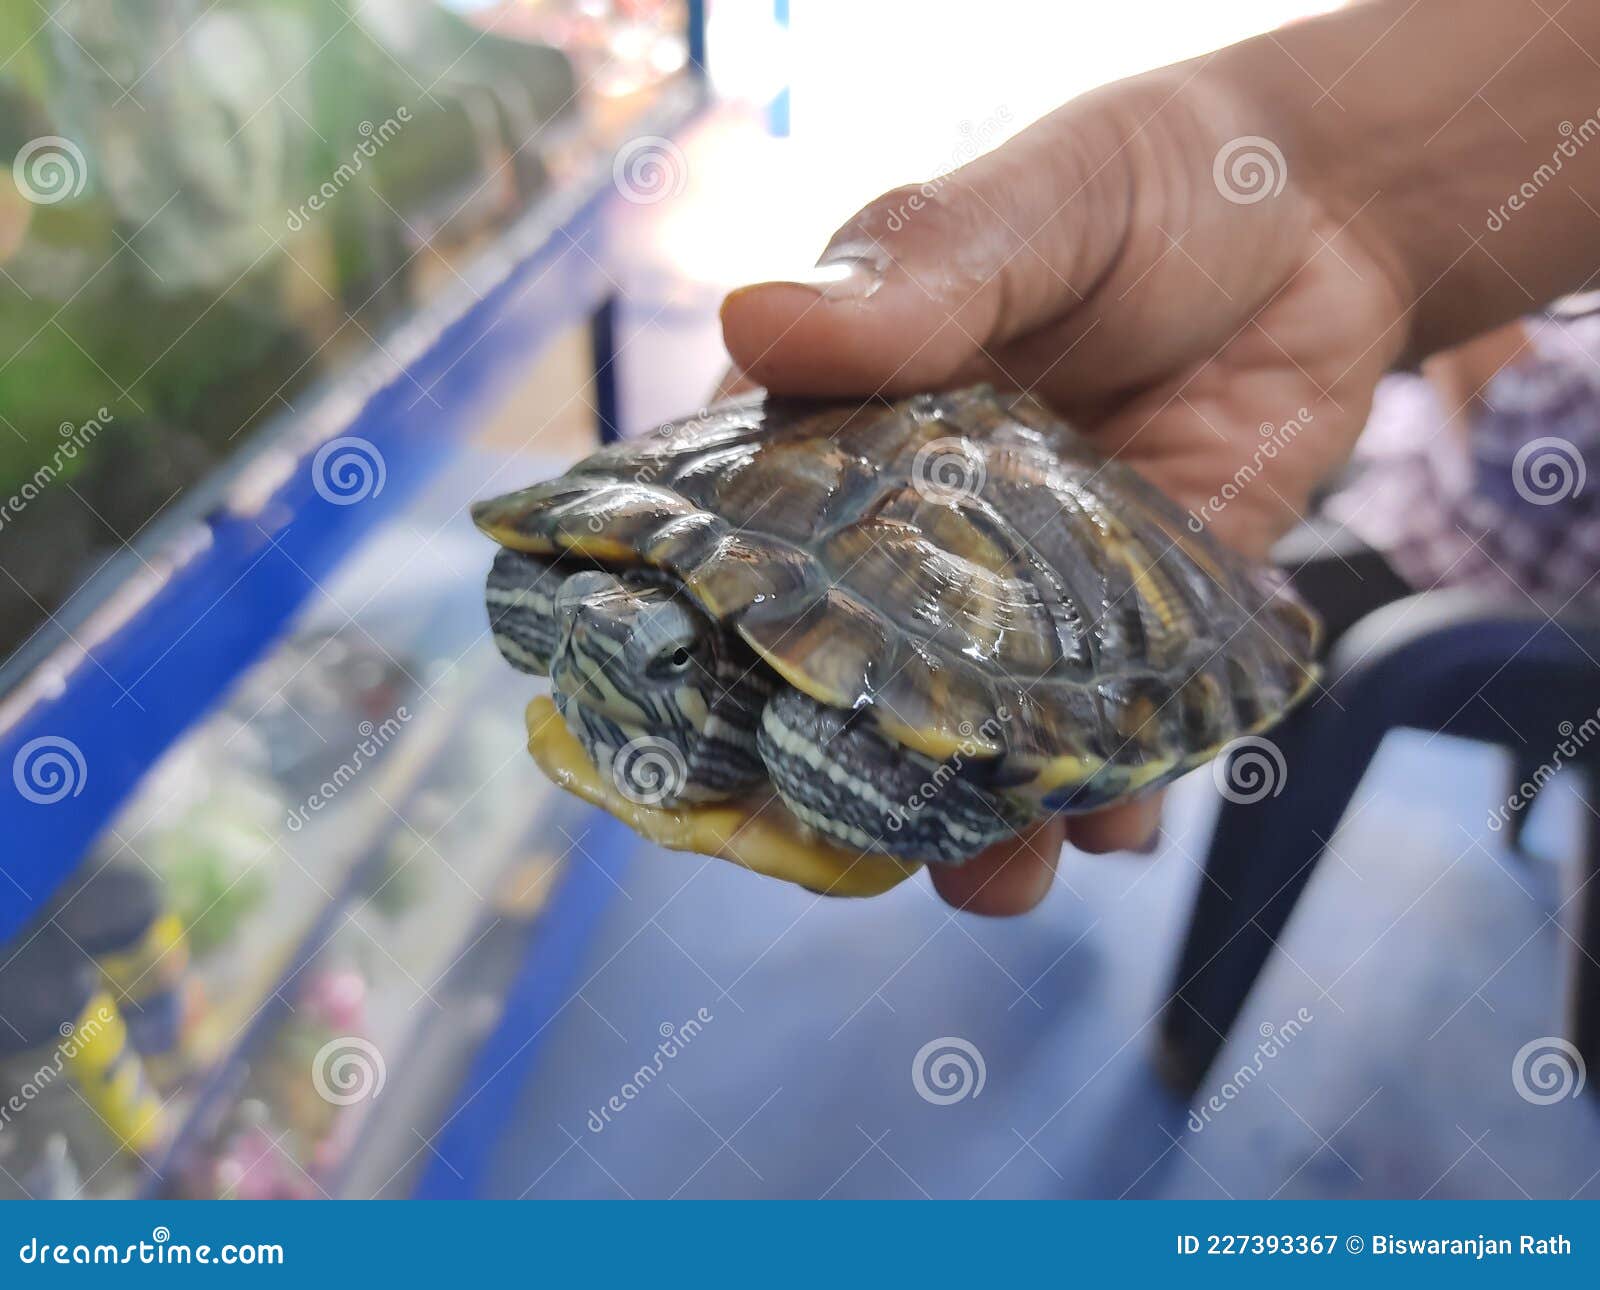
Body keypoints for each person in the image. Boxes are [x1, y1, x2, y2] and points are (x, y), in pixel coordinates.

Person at [715, 0, 1600, 915]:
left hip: (1474, 579)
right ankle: (1134, 744)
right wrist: (1336, 194)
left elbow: (1517, 443)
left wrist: (1376, 236)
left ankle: (1144, 759)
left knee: (1225, 628)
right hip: (1368, 484)